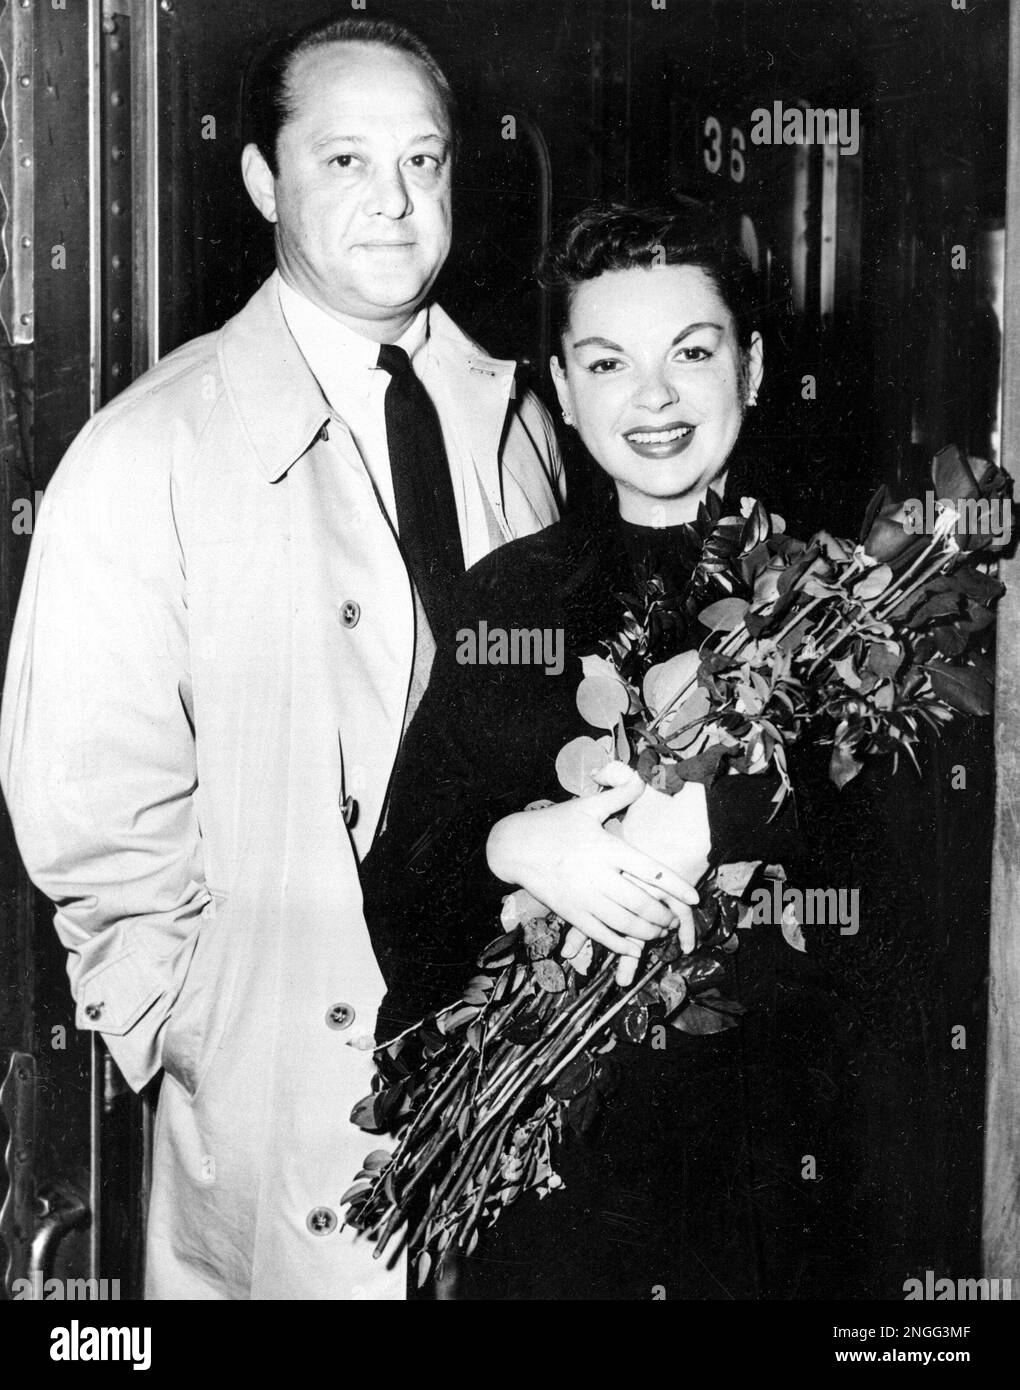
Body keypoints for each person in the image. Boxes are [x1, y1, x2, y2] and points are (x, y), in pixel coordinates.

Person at [0, 16, 567, 1301]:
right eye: (346, 161)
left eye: (422, 161)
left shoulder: (521, 419)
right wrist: (198, 1032)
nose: (395, 202)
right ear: (263, 181)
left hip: (517, 1082)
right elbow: (89, 807)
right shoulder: (148, 451)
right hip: (284, 1128)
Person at [362, 204, 904, 1299]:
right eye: (608, 362)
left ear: (751, 368)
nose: (652, 397)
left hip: (764, 1208)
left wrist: (734, 817)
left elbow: (902, 925)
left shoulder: (843, 611)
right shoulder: (508, 595)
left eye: (692, 352)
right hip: (545, 1211)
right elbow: (399, 886)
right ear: (561, 388)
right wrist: (516, 845)